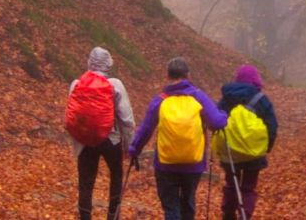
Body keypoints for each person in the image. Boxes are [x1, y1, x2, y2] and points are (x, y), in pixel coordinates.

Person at [129, 57, 227, 220]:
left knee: (171, 208)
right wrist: (223, 114)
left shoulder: (160, 100)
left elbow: (146, 129)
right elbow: (217, 122)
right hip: (193, 163)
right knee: (188, 204)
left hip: (166, 164)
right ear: (188, 75)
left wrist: (134, 149)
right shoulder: (198, 97)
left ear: (168, 76)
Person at [67, 47, 136, 220]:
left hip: (85, 141)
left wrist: (76, 142)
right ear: (108, 64)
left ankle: (85, 217)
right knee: (116, 176)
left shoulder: (77, 84)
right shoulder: (115, 85)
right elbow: (126, 120)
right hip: (111, 139)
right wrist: (129, 146)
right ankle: (113, 215)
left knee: (86, 182)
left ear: (90, 62)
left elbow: (73, 116)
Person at [216, 65, 278, 220]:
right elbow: (272, 125)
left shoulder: (227, 97)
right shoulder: (260, 99)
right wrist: (266, 147)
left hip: (231, 151)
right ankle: (245, 215)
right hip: (254, 152)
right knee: (248, 188)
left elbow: (217, 120)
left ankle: (228, 214)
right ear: (256, 79)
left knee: (231, 184)